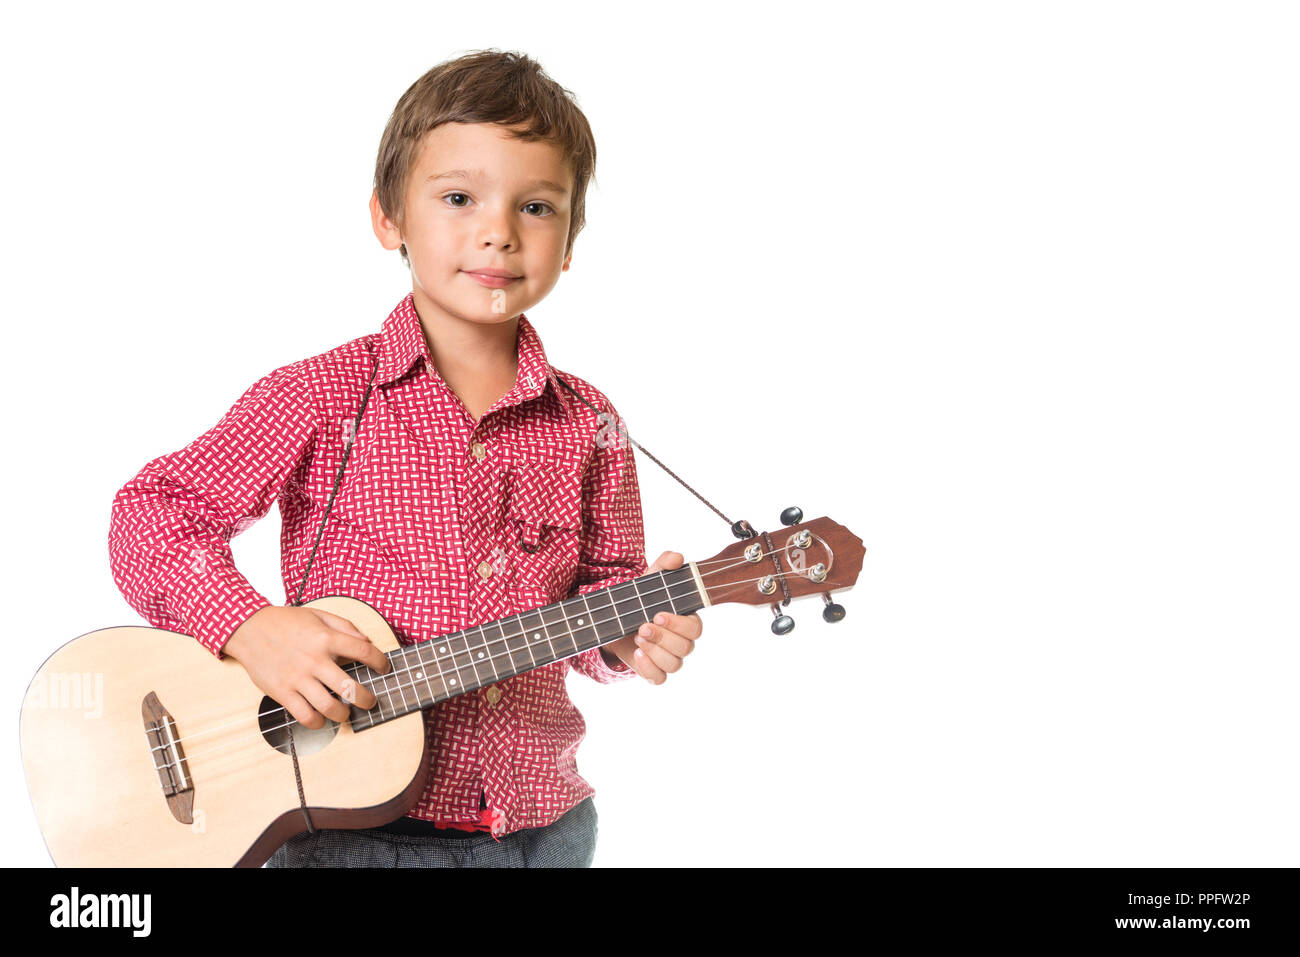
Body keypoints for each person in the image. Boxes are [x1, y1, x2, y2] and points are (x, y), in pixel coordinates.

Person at [107, 49, 703, 868]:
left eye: (535, 206)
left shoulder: (591, 423)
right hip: (351, 836)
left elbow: (601, 598)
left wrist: (626, 642)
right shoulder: (319, 395)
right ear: (389, 218)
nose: (498, 229)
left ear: (569, 243)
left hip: (549, 826)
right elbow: (153, 512)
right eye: (459, 198)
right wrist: (248, 626)